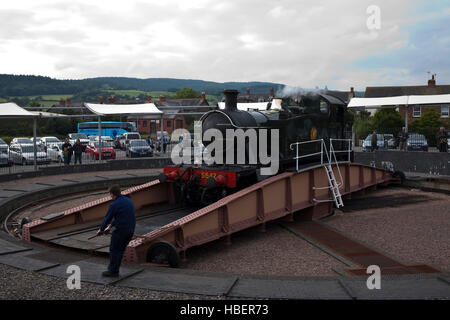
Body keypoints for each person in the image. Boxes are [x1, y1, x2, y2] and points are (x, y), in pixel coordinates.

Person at [97, 185, 136, 277]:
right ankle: (115, 270)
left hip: (121, 231)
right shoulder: (128, 201)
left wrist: (101, 229)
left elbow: (107, 218)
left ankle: (112, 271)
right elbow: (121, 216)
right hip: (130, 230)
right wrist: (110, 226)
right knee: (120, 250)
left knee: (114, 249)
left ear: (112, 194)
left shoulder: (114, 204)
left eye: (110, 194)